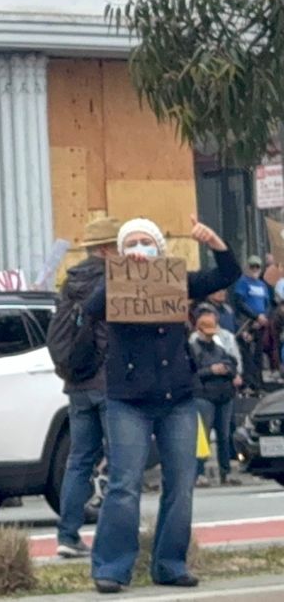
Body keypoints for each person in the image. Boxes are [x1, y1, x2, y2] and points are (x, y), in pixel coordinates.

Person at [82, 217, 240, 593]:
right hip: (128, 400)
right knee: (124, 484)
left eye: (145, 242)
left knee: (182, 483)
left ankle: (170, 563)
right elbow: (92, 307)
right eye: (131, 243)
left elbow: (226, 275)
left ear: (159, 247)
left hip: (178, 398)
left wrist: (215, 243)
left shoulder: (177, 280)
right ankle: (112, 567)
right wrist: (121, 275)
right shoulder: (114, 285)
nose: (140, 249)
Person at [52, 216, 120, 560]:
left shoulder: (70, 281)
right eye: (118, 245)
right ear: (107, 249)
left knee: (79, 460)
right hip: (108, 380)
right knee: (120, 459)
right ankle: (116, 534)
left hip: (76, 381)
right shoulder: (114, 278)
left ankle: (68, 534)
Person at [191, 306, 242, 486]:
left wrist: (226, 369)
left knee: (224, 435)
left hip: (224, 395)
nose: (209, 336)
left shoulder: (219, 348)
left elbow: (232, 365)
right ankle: (198, 473)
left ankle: (225, 472)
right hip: (204, 396)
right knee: (202, 437)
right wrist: (211, 370)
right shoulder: (193, 349)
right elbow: (192, 373)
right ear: (199, 330)